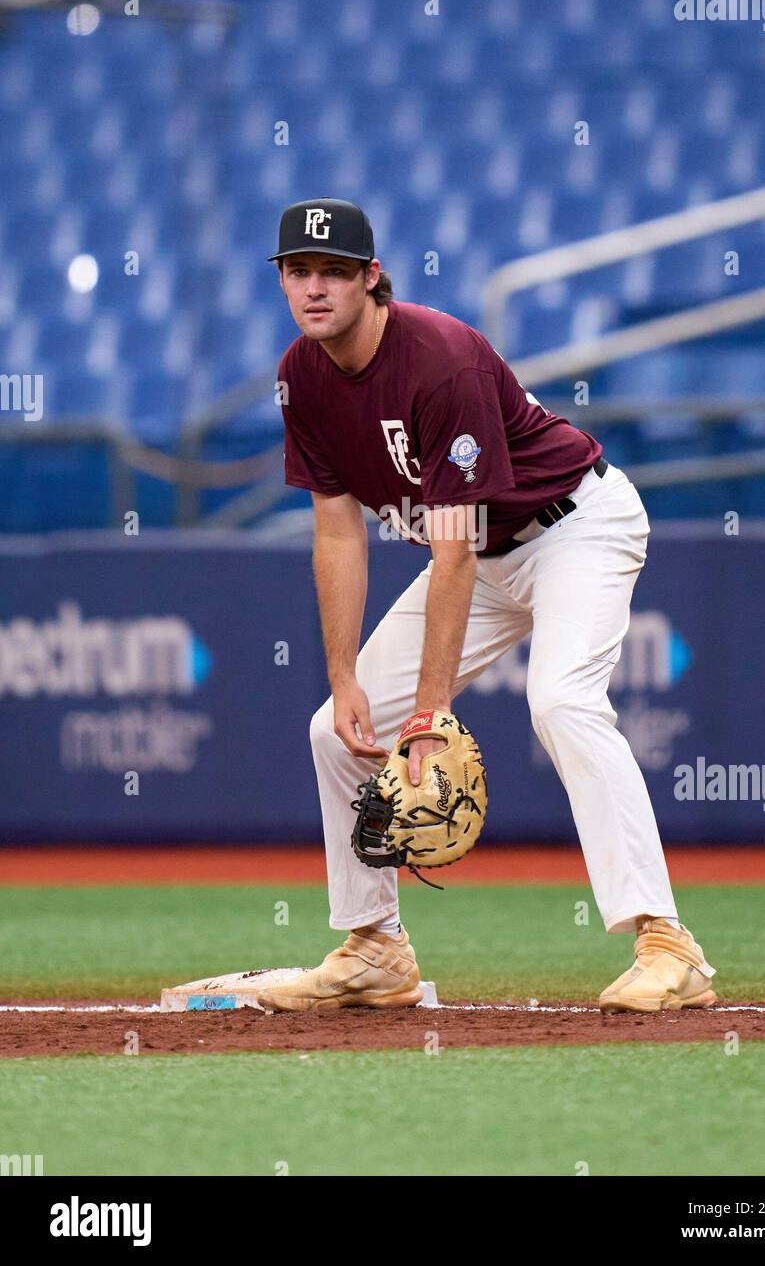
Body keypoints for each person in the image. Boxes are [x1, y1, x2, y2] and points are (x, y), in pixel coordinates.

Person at [256, 197, 717, 1015]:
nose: (314, 287)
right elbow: (337, 533)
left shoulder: (441, 359)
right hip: (483, 554)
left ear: (372, 279)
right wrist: (344, 675)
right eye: (298, 271)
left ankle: (667, 943)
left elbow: (454, 548)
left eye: (333, 271)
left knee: (564, 702)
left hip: (574, 525)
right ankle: (375, 949)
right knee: (334, 728)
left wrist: (429, 715)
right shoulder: (301, 375)